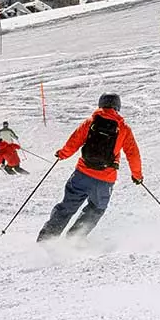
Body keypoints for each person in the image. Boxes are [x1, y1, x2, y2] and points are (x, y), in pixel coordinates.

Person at [36, 94, 142, 241]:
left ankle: (47, 238)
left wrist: (62, 154)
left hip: (82, 174)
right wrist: (137, 175)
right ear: (117, 107)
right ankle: (75, 238)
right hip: (105, 179)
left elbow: (74, 141)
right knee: (96, 208)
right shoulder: (123, 128)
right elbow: (133, 153)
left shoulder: (91, 122)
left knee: (68, 205)